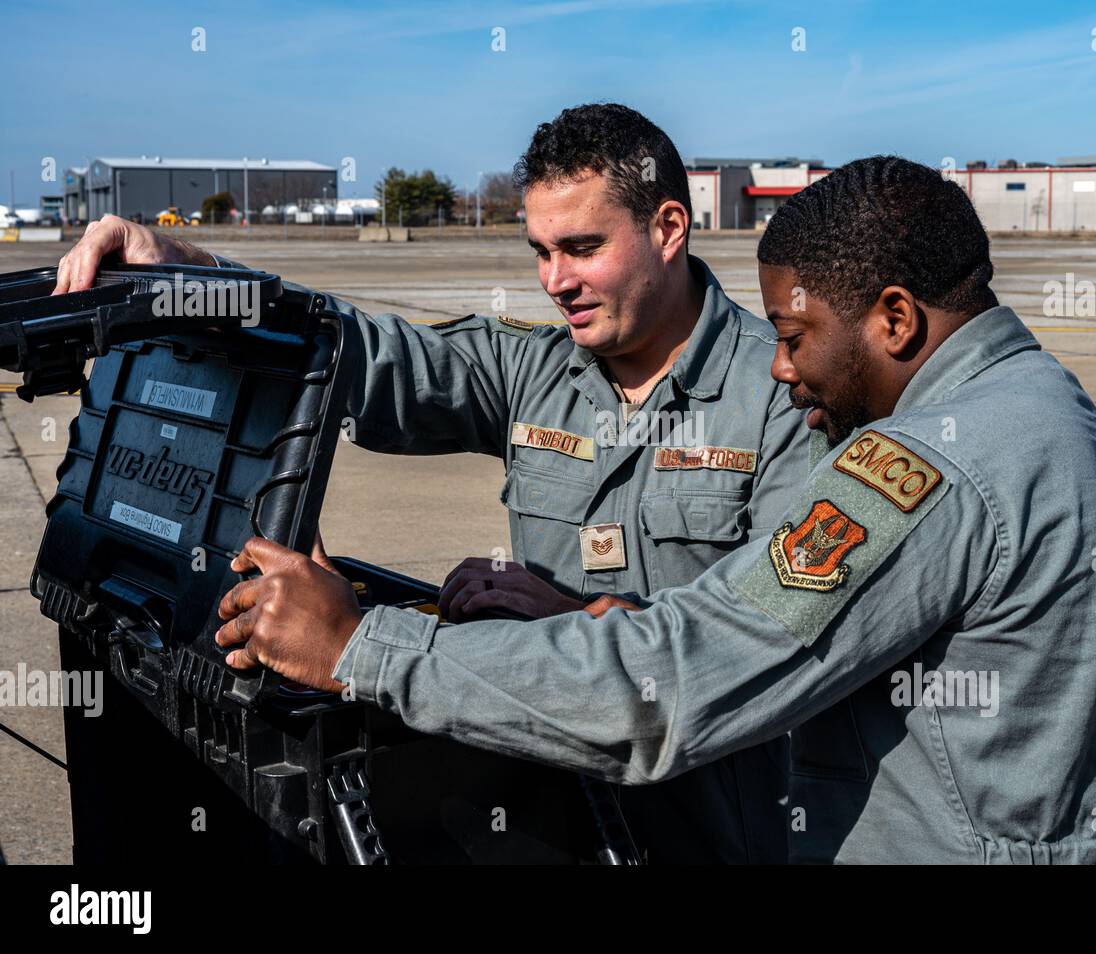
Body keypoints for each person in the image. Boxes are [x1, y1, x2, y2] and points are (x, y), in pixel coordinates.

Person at [53, 104, 809, 864]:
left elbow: (750, 656)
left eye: (583, 248)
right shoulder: (535, 370)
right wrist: (190, 274)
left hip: (701, 834)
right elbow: (358, 355)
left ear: (670, 228)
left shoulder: (784, 399)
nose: (556, 281)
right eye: (541, 251)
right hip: (546, 813)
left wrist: (578, 615)